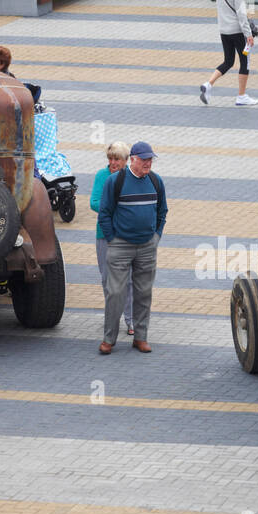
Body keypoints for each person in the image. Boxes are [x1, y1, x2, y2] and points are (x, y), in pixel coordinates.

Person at [97, 142, 166, 355]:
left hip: (147, 246)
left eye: (150, 159)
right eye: (144, 159)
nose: (148, 163)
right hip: (120, 245)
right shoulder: (114, 181)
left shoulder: (156, 181)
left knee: (144, 293)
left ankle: (141, 338)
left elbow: (162, 211)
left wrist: (156, 237)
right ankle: (109, 339)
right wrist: (112, 239)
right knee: (115, 292)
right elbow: (104, 213)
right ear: (133, 159)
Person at [200, 0, 257, 107]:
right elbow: (241, 11)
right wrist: (248, 34)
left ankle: (209, 84)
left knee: (228, 61)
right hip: (237, 30)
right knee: (245, 61)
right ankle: (241, 96)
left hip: (224, 29)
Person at [90, 143, 134, 337]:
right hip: (105, 235)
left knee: (129, 279)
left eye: (117, 159)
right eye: (110, 158)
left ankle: (131, 320)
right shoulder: (102, 175)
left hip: (128, 235)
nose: (113, 163)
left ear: (126, 160)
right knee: (108, 279)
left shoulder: (133, 178)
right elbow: (94, 202)